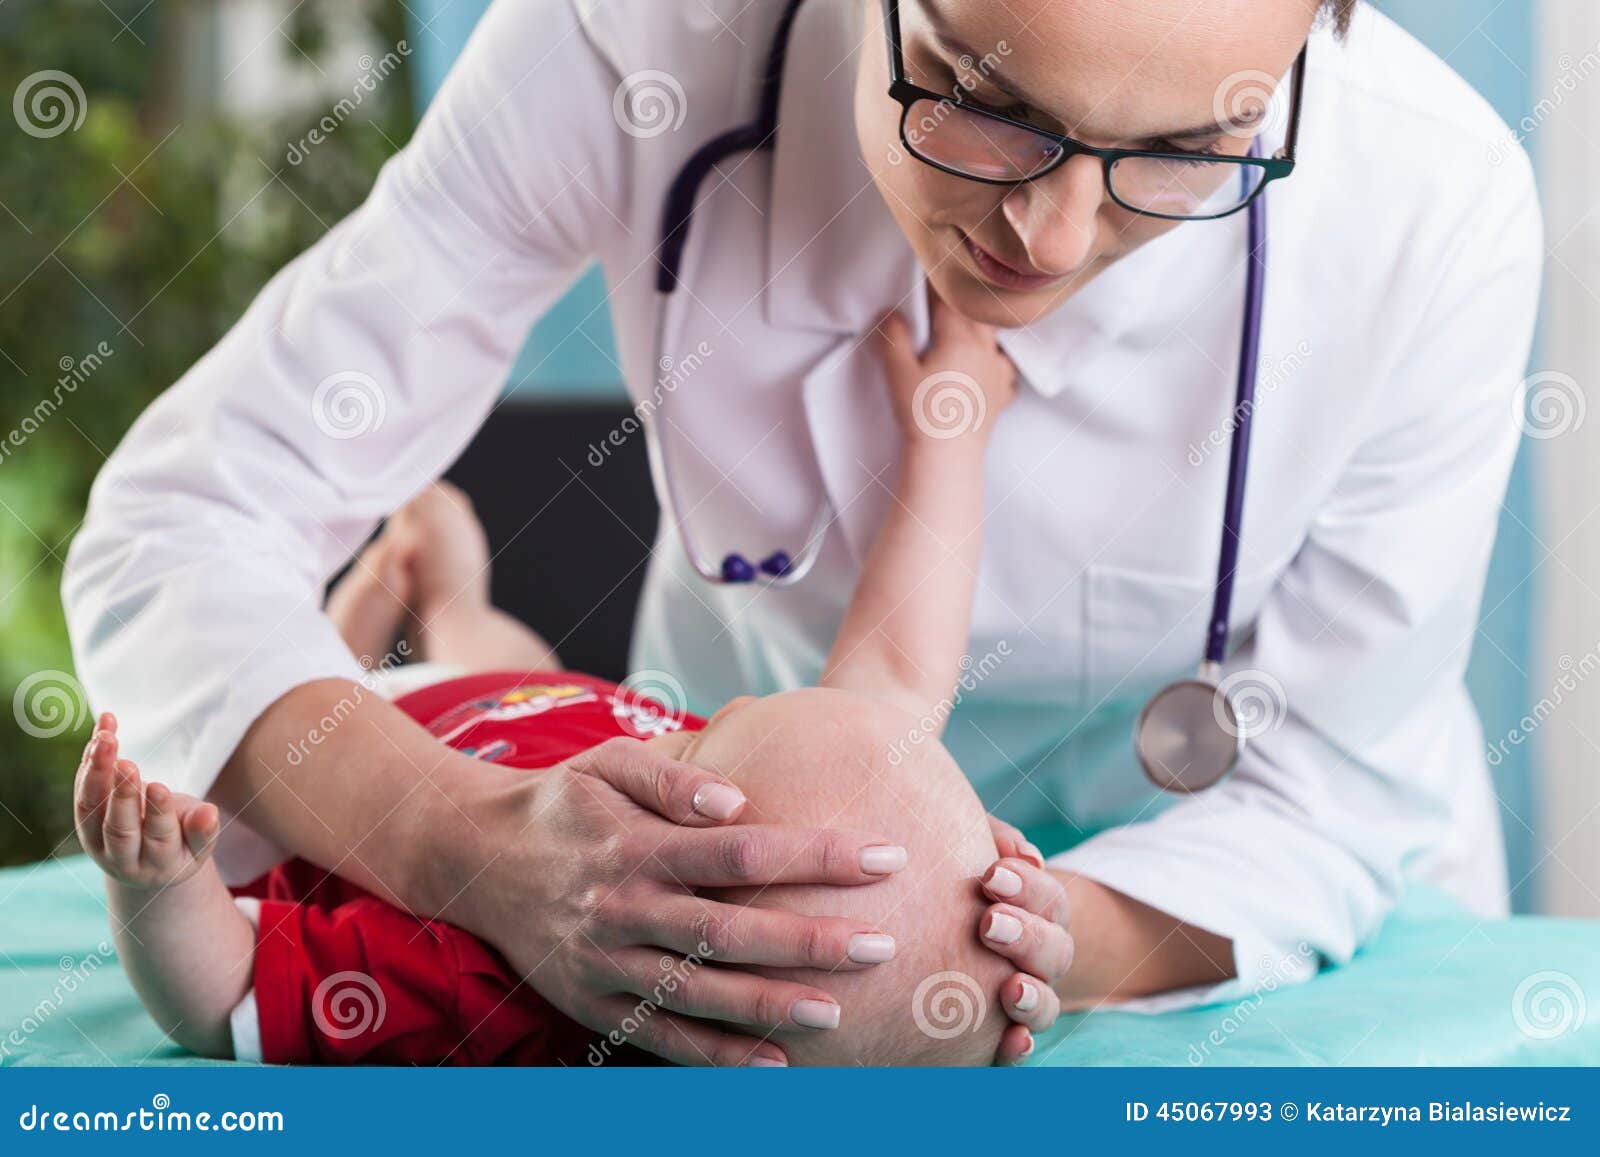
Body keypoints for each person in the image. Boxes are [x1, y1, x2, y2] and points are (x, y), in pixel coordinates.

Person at [63, 0, 1544, 1063]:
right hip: (715, 824)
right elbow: (183, 522)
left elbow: (1325, 793)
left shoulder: (1437, 204)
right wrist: (464, 844)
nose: (1048, 239)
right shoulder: (632, 39)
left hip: (1221, 901)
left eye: (1182, 150)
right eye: (982, 100)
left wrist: (997, 947)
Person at [69, 296, 1031, 1066]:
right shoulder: (766, 800)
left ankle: (391, 586)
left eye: (703, 742)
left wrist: (154, 884)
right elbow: (901, 663)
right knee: (494, 650)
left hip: (350, 752)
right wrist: (950, 434)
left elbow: (229, 993)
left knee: (373, 671)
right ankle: (441, 586)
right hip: (538, 705)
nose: (725, 705)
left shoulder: (496, 982)